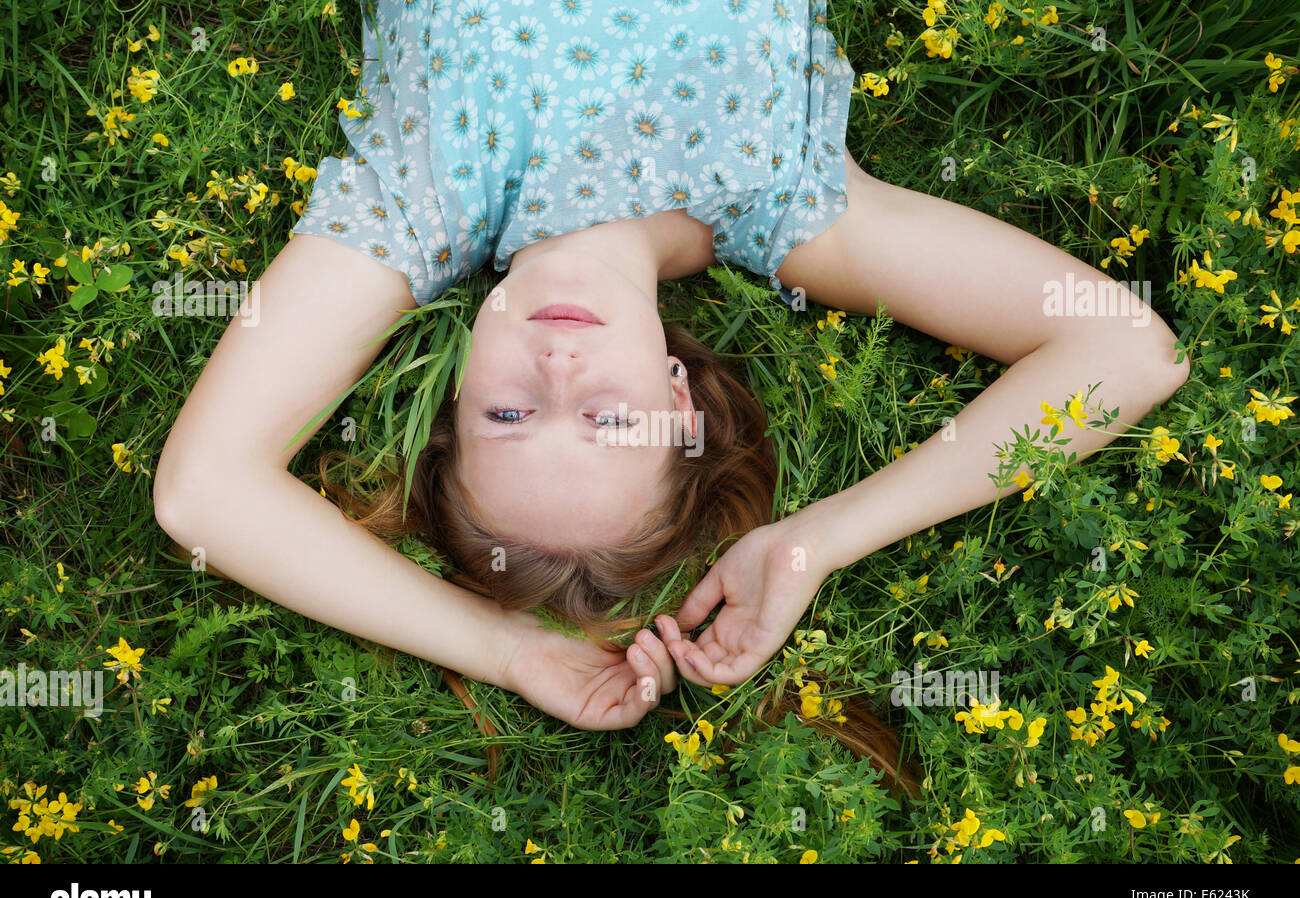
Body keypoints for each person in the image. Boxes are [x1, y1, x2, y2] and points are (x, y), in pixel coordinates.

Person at [153, 0, 1188, 749]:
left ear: (457, 391)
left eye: (510, 411)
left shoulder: (416, 196)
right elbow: (1123, 350)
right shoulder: (789, 199)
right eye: (604, 419)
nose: (557, 365)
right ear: (679, 402)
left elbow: (205, 488)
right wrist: (814, 541)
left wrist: (506, 648)